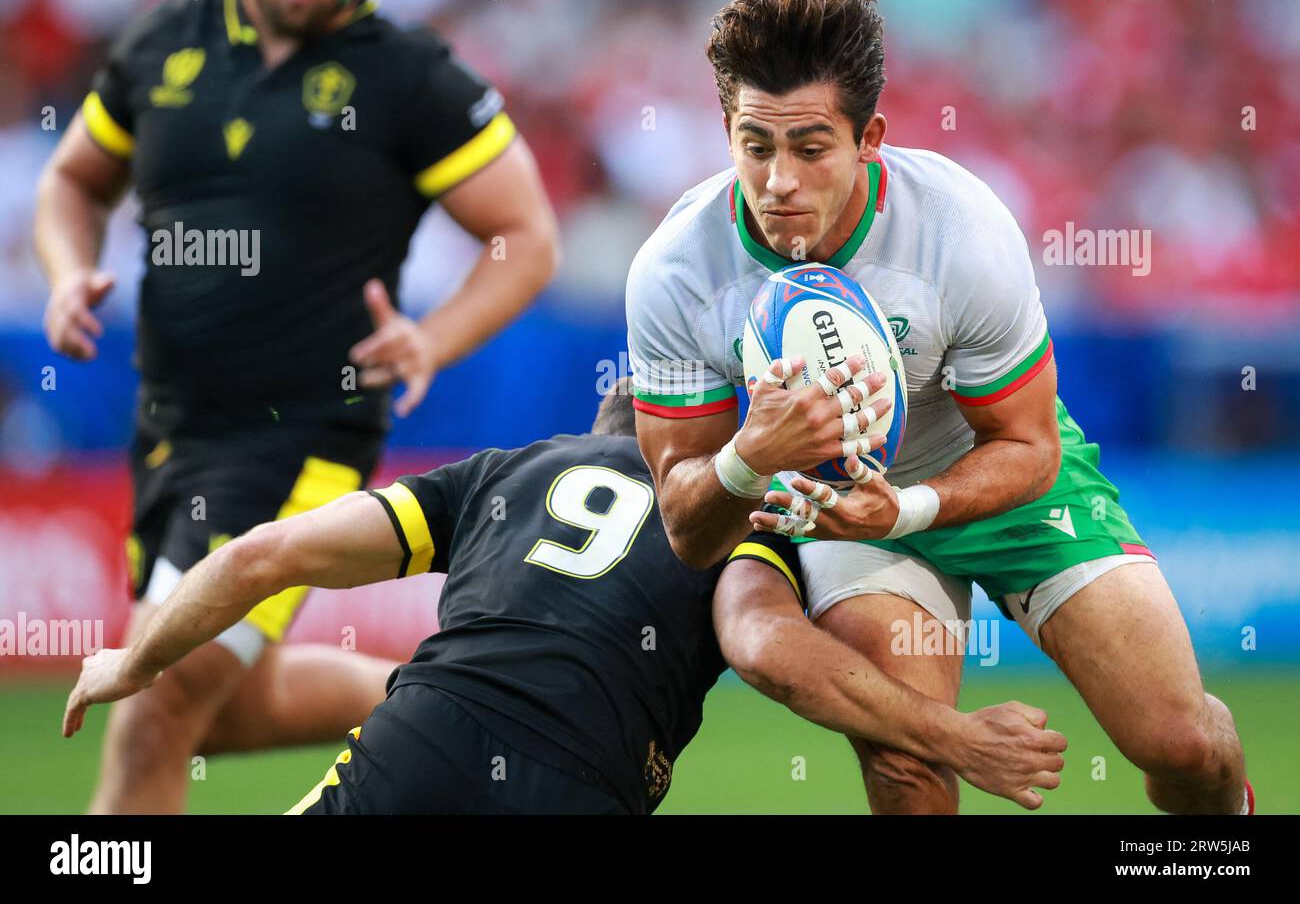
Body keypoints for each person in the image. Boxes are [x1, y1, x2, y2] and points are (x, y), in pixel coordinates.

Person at [625, 0, 1249, 814]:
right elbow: (689, 528)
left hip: (992, 469)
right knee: (907, 776)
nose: (779, 182)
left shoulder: (960, 229)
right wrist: (749, 458)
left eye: (811, 149)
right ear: (725, 127)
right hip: (842, 505)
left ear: (869, 138)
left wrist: (910, 506)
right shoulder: (673, 270)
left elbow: (1028, 444)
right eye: (755, 145)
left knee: (1185, 746)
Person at [35, 0, 558, 813]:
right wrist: (64, 272)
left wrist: (430, 340)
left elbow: (526, 236)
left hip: (302, 436)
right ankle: (458, 703)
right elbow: (72, 182)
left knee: (156, 704)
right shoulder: (166, 40)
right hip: (170, 435)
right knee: (219, 709)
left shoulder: (409, 73)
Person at [64, 380, 1068, 814]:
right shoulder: (733, 517)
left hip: (428, 736)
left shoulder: (504, 469)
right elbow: (771, 653)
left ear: (595, 416)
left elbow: (261, 556)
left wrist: (134, 659)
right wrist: (954, 737)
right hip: (587, 785)